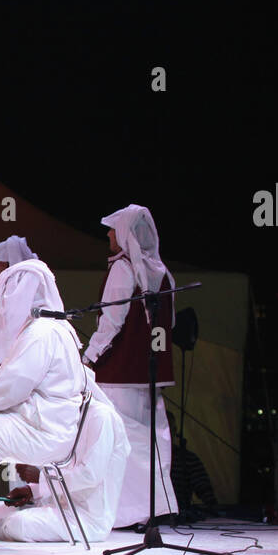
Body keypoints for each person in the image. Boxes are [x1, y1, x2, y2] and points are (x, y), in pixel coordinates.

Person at [0, 259, 86, 530]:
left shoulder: (41, 333)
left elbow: (8, 391)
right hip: (47, 427)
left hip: (42, 433)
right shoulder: (57, 328)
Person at [84, 204, 179, 527]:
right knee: (152, 440)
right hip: (148, 373)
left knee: (122, 443)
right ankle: (154, 508)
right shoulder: (161, 272)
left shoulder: (125, 268)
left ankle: (127, 512)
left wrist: (89, 357)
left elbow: (112, 320)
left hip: (119, 373)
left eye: (112, 230)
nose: (109, 235)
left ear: (125, 233)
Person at [0, 370, 130, 542]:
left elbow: (90, 475)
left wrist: (41, 477)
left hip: (87, 519)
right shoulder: (66, 415)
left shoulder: (101, 416)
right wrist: (32, 490)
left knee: (18, 523)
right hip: (59, 506)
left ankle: (7, 527)